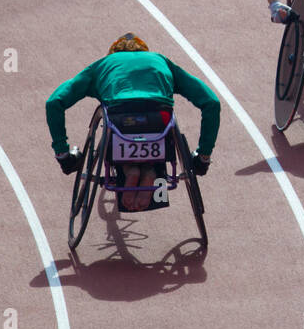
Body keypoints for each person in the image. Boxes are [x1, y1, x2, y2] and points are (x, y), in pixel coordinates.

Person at [47, 33, 219, 211]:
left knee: (120, 124)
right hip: (158, 119)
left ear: (113, 53)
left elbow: (54, 102)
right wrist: (203, 156)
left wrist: (62, 153)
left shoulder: (102, 65)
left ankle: (130, 169)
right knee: (155, 123)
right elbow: (211, 102)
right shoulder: (160, 61)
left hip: (121, 119)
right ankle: (151, 171)